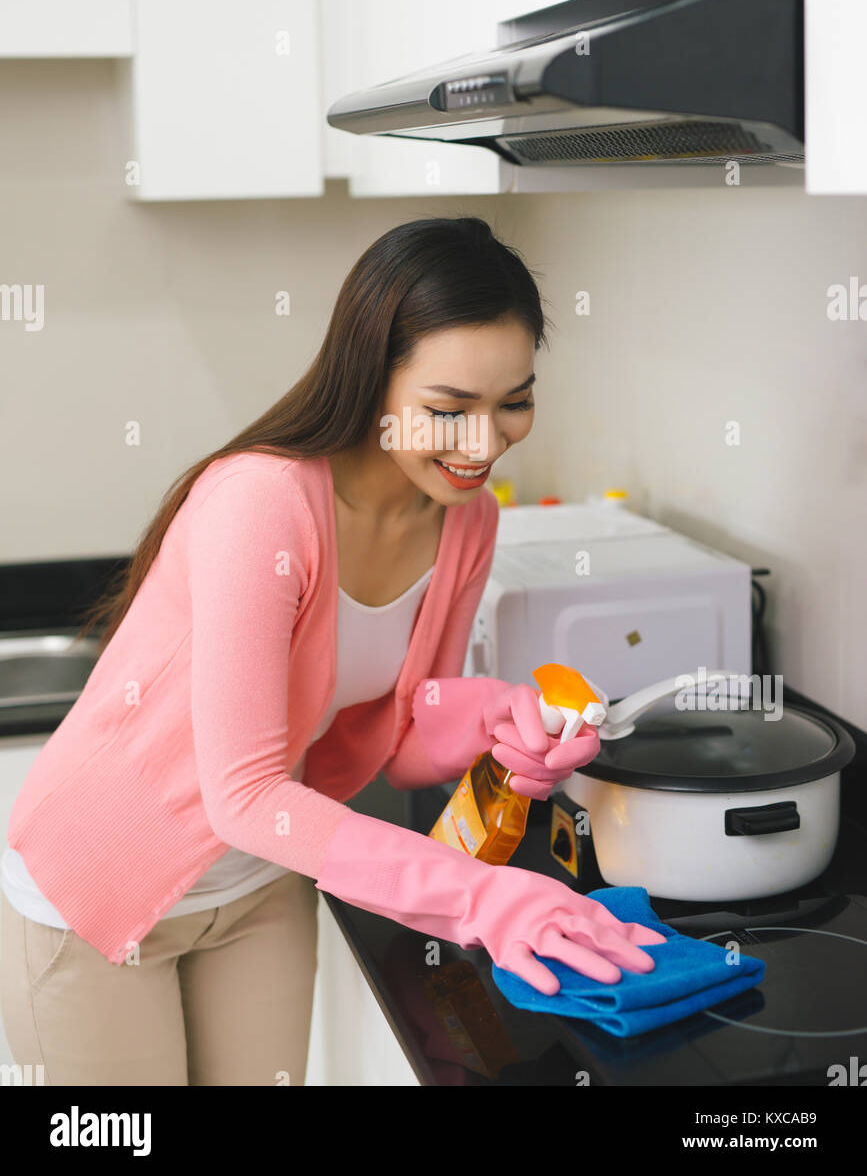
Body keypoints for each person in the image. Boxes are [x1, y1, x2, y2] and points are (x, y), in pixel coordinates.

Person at [0, 216, 664, 1086]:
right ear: (369, 381)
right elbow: (240, 793)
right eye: (447, 409)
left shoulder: (467, 520)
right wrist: (482, 901)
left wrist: (499, 716)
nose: (484, 444)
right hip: (96, 891)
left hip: (261, 885)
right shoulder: (261, 504)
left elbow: (399, 733)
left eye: (514, 402)